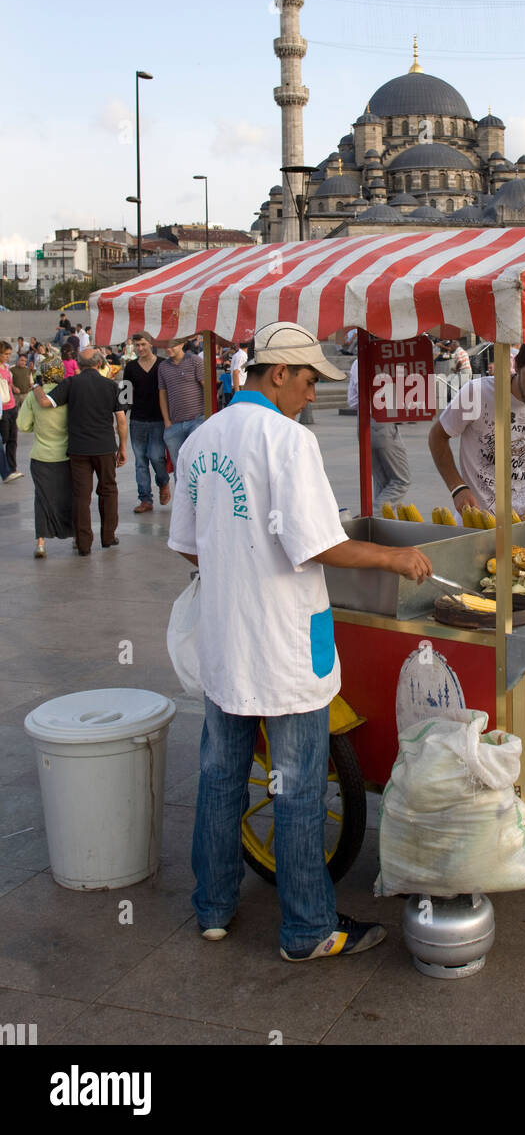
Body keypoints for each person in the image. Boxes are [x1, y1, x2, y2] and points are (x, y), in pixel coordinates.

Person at [167, 322, 432, 960]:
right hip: (283, 645)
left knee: (221, 775)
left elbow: (188, 547)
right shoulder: (287, 442)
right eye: (309, 380)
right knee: (297, 785)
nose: (312, 395)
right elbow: (320, 545)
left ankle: (212, 907)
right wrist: (395, 560)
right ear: (278, 373)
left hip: (225, 639)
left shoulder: (199, 441)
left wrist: (239, 567)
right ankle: (309, 928)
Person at [428, 339, 525, 519]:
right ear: (517, 365)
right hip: (473, 522)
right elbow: (437, 436)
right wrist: (457, 487)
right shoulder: (477, 393)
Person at [32, 348, 128, 554]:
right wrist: (122, 447)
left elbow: (44, 402)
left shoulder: (71, 383)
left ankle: (84, 544)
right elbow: (121, 420)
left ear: (79, 364)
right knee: (108, 490)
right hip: (104, 447)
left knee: (81, 496)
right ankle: (108, 536)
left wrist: (35, 386)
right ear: (99, 363)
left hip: (78, 449)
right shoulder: (112, 386)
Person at [17, 355, 73, 558]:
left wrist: (36, 426)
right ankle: (75, 537)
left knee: (42, 498)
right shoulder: (67, 394)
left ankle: (40, 543)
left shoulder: (34, 396)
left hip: (41, 457)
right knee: (69, 496)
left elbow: (23, 425)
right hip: (67, 456)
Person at [347, 356, 411, 510]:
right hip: (382, 420)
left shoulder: (358, 362)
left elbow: (352, 401)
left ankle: (378, 526)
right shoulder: (383, 362)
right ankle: (372, 516)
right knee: (401, 480)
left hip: (363, 422)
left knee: (382, 482)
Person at [123, 332, 170, 513]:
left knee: (157, 456)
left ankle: (163, 481)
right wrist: (120, 415)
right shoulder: (130, 368)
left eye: (143, 344)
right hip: (137, 420)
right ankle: (145, 499)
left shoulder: (162, 365)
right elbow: (124, 394)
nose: (140, 349)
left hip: (158, 419)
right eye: (137, 346)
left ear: (150, 344)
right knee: (140, 461)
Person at [158, 339, 206, 469]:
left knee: (198, 465)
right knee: (179, 468)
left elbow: (206, 387)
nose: (168, 349)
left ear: (181, 344)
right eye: (166, 346)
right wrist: (167, 422)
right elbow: (162, 394)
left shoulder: (195, 360)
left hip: (197, 421)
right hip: (174, 424)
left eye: (172, 345)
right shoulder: (163, 367)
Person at [0, 341, 21, 475]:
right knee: (5, 438)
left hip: (12, 406)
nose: (8, 357)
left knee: (13, 439)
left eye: (9, 354)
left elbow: (9, 385)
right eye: (5, 354)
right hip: (3, 409)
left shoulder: (7, 368)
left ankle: (12, 468)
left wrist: (14, 388)